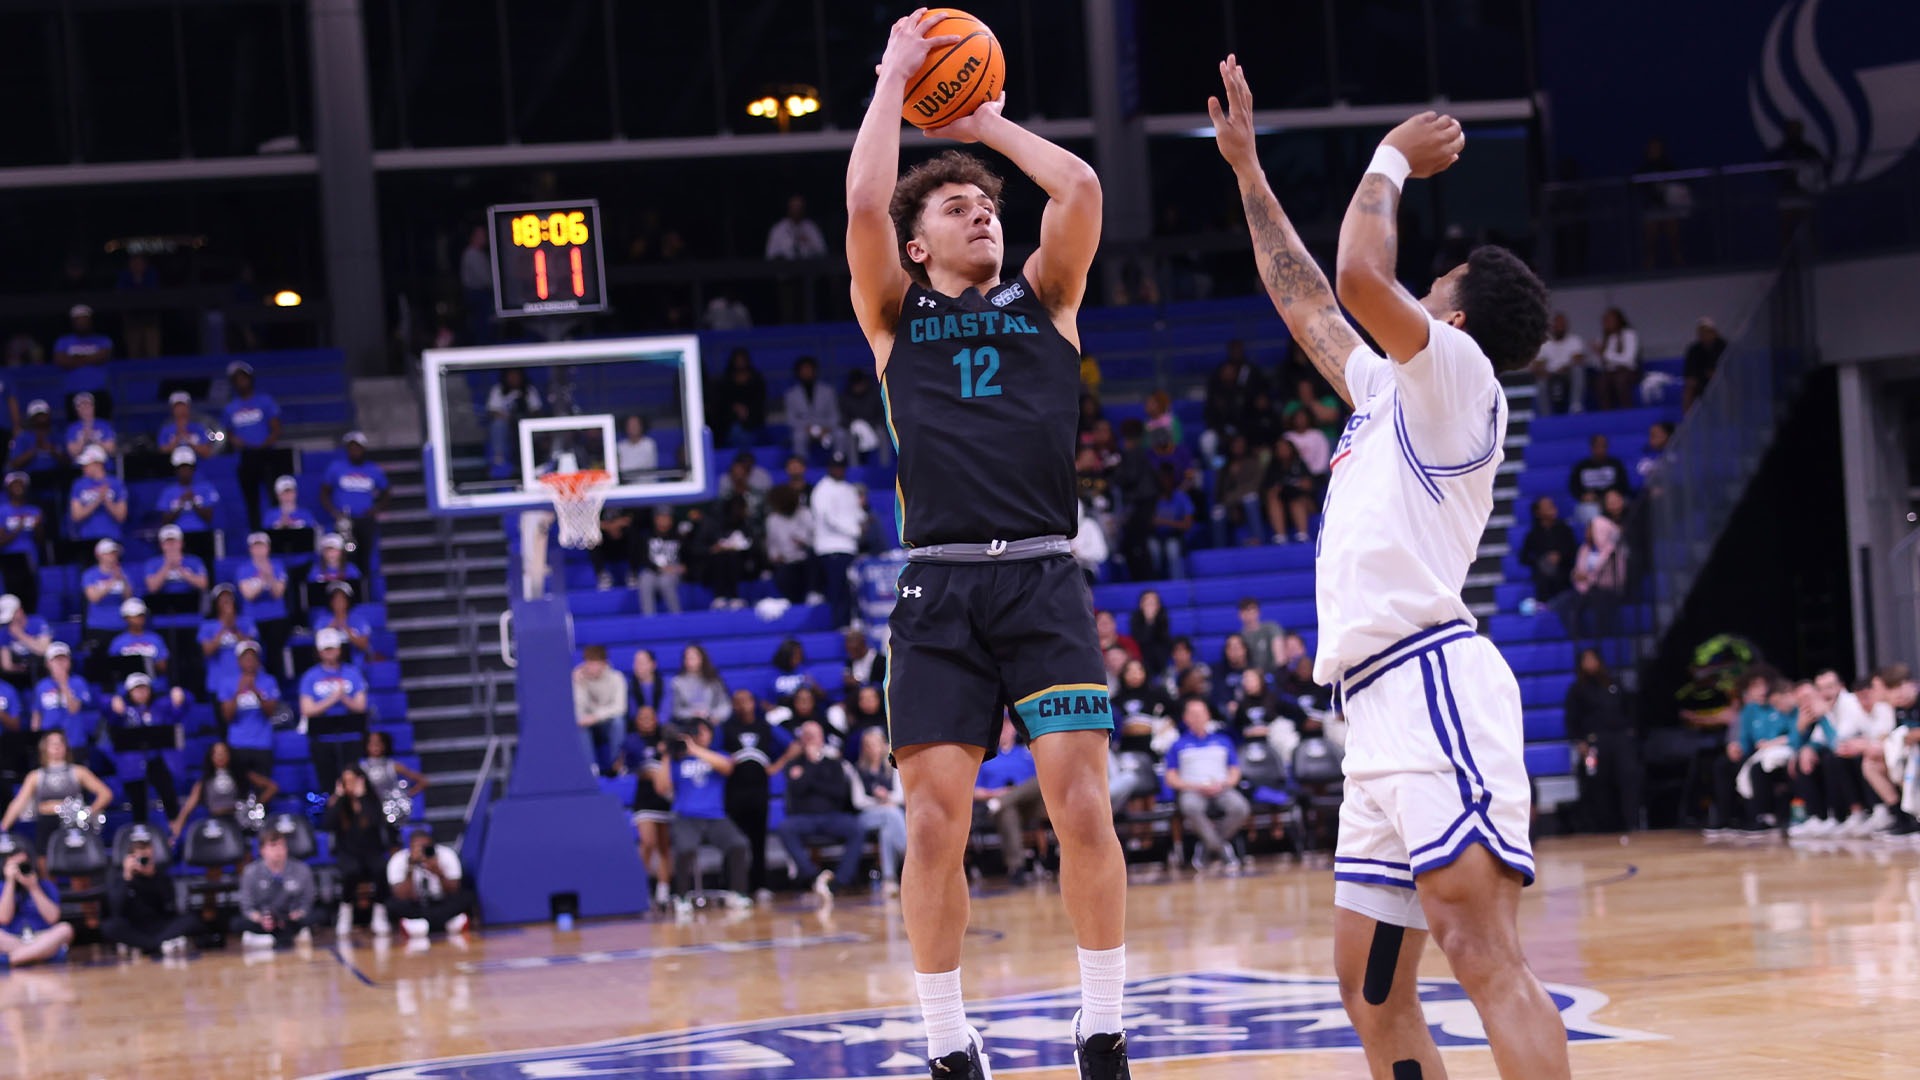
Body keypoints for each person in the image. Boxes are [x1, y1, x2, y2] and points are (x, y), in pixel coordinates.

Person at [1211, 58, 1567, 1077]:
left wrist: (1388, 159)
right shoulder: (1391, 395)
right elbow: (1312, 304)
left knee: (1482, 953)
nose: (1416, 291)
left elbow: (1363, 279)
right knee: (1374, 995)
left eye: (1436, 284)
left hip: (1431, 683)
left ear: (1449, 319)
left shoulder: (1458, 375)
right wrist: (1246, 169)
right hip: (1371, 710)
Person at [849, 16, 1132, 1074]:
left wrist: (987, 125)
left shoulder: (1049, 300)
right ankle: (945, 1042)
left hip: (1045, 579)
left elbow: (1084, 194)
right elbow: (867, 202)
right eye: (958, 209)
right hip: (941, 592)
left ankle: (1100, 1027)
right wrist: (894, 81)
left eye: (988, 210)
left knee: (1084, 802)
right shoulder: (894, 312)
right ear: (920, 245)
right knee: (932, 827)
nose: (983, 219)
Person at [651, 718, 754, 912]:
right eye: (696, 732)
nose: (700, 736)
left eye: (703, 732)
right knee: (684, 848)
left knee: (738, 844)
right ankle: (681, 897)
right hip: (686, 817)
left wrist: (694, 750)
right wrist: (666, 755)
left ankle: (737, 893)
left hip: (716, 817)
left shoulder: (718, 754)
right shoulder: (676, 760)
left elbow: (727, 767)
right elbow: (662, 788)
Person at [776, 719, 869, 898]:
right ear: (801, 739)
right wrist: (812, 765)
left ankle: (840, 881)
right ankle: (813, 876)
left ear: (821, 738)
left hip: (832, 816)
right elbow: (796, 791)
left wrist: (810, 779)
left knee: (856, 828)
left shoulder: (834, 763)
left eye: (814, 736)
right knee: (785, 828)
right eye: (807, 736)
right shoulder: (794, 764)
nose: (810, 740)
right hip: (804, 818)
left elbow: (839, 793)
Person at [720, 688, 799, 898]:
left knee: (758, 839)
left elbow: (794, 746)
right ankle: (733, 886)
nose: (742, 705)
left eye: (746, 700)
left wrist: (776, 766)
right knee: (734, 840)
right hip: (734, 791)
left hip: (759, 791)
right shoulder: (726, 728)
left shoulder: (765, 727)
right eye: (737, 701)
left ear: (754, 702)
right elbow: (715, 750)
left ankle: (760, 885)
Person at [1, 730, 113, 865]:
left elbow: (106, 794)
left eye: (60, 743)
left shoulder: (78, 771)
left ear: (66, 747)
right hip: (47, 825)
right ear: (44, 748)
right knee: (44, 864)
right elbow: (18, 803)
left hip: (73, 825)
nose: (57, 747)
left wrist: (87, 813)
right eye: (52, 744)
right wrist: (3, 828)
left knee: (80, 868)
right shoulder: (35, 776)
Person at [1563, 648, 1642, 834]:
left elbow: (1629, 709)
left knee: (1627, 778)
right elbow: (1572, 719)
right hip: (1595, 742)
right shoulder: (1577, 690)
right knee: (1598, 783)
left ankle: (1631, 823)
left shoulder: (1614, 684)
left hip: (1620, 740)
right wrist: (1580, 741)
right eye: (1586, 659)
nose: (1590, 663)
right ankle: (1603, 827)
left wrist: (1631, 732)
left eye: (1593, 659)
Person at [1166, 696, 1248, 870]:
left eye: (1200, 713)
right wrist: (1194, 786)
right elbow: (1171, 777)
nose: (1197, 718)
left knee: (1240, 807)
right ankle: (1221, 848)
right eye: (1193, 714)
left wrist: (1224, 784)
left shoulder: (1223, 741)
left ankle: (1207, 845)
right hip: (1192, 789)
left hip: (1221, 787)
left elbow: (1235, 771)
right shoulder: (1178, 745)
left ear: (1208, 716)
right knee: (1190, 806)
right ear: (1185, 718)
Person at [102, 824, 197, 957]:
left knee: (190, 920)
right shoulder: (120, 877)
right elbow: (116, 910)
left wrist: (152, 877)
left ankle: (144, 946)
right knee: (110, 926)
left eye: (146, 847)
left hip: (161, 926)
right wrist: (127, 878)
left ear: (152, 850)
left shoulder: (161, 874)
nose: (143, 852)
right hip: (134, 927)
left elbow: (170, 907)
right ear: (130, 853)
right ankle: (159, 945)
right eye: (138, 848)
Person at [325, 765, 392, 936]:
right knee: (351, 871)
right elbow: (328, 824)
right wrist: (339, 797)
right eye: (346, 782)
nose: (350, 785)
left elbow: (377, 822)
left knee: (381, 868)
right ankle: (345, 912)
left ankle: (379, 913)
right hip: (347, 852)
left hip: (371, 851)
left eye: (353, 780)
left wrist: (362, 798)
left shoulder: (371, 800)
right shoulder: (338, 803)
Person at [301, 628, 370, 792]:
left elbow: (361, 706)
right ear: (319, 651)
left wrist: (344, 698)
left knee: (354, 783)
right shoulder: (310, 676)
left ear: (339, 649)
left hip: (350, 737)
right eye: (326, 649)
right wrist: (332, 699)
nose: (329, 652)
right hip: (322, 740)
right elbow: (307, 710)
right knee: (328, 786)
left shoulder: (352, 672)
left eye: (332, 648)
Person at [171, 740, 278, 841]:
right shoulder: (203, 782)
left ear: (230, 755)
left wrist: (257, 805)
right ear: (211, 757)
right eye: (216, 753)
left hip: (238, 822)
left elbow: (272, 787)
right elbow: (188, 807)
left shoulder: (240, 775)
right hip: (216, 822)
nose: (220, 756)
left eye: (223, 753)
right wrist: (178, 825)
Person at [222, 362, 282, 533]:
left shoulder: (265, 401)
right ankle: (257, 536)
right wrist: (234, 440)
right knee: (251, 500)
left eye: (243, 377)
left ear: (250, 379)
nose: (241, 381)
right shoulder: (230, 408)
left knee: (274, 497)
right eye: (237, 379)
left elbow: (277, 428)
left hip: (267, 455)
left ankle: (277, 530)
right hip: (246, 457)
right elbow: (226, 433)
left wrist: (266, 442)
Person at [232, 829, 317, 950]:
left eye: (281, 846)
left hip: (291, 917)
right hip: (263, 918)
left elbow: (307, 902)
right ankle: (265, 935)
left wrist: (298, 914)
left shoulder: (302, 870)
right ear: (262, 850)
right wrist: (260, 918)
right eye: (273, 846)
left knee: (315, 917)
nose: (278, 851)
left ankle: (284, 934)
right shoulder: (250, 872)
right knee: (236, 923)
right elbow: (247, 906)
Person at [322, 432, 389, 579]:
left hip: (365, 520)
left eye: (357, 447)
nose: (354, 451)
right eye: (351, 448)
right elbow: (324, 493)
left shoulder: (373, 470)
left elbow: (387, 491)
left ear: (363, 449)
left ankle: (363, 592)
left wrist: (376, 509)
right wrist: (335, 513)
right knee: (347, 554)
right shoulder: (337, 468)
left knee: (365, 557)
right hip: (345, 521)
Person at [809, 452, 864, 630]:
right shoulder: (822, 489)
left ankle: (851, 623)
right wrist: (854, 530)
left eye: (842, 467)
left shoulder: (849, 489)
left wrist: (863, 522)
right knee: (838, 588)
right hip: (831, 547)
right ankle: (840, 626)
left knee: (851, 588)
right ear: (829, 468)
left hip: (849, 547)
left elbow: (856, 513)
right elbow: (827, 518)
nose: (839, 470)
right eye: (835, 466)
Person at [386, 827, 473, 938]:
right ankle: (447, 923)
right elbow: (401, 895)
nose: (422, 852)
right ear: (410, 848)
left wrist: (437, 872)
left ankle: (420, 926)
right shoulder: (399, 859)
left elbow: (454, 889)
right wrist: (410, 869)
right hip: (416, 905)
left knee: (466, 897)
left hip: (441, 901)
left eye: (426, 848)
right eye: (417, 848)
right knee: (392, 904)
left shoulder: (446, 854)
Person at [853, 726, 908, 896]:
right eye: (868, 745)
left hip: (889, 815)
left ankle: (889, 879)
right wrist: (879, 801)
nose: (872, 749)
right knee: (891, 814)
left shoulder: (892, 768)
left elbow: (900, 797)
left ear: (884, 745)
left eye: (875, 744)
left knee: (887, 831)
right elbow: (859, 801)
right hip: (867, 817)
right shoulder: (858, 770)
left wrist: (887, 797)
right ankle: (909, 853)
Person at [0, 847, 73, 966]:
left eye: (23, 865)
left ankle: (12, 959)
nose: (19, 869)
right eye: (15, 866)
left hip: (41, 937)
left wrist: (33, 887)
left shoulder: (46, 886)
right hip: (13, 939)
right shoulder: (2, 887)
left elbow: (53, 918)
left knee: (65, 929)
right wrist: (10, 883)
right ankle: (38, 954)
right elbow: (4, 918)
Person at [31, 644, 100, 754]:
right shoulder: (41, 686)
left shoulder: (78, 682)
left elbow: (73, 709)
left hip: (74, 742)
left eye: (64, 659)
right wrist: (35, 740)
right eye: (56, 660)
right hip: (49, 744)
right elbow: (37, 714)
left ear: (70, 662)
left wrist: (63, 683)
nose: (60, 663)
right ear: (48, 663)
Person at [572, 644, 628, 775]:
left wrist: (596, 717)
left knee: (618, 722)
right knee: (579, 725)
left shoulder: (617, 678)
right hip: (588, 725)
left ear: (604, 663)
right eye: (588, 663)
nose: (590, 667)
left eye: (594, 663)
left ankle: (617, 765)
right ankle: (591, 769)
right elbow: (579, 709)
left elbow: (620, 707)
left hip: (606, 724)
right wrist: (579, 684)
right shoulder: (579, 678)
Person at [54, 304, 114, 417]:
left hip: (99, 391)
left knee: (103, 426)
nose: (82, 323)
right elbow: (61, 360)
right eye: (78, 320)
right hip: (73, 392)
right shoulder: (63, 341)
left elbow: (103, 356)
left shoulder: (102, 340)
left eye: (84, 319)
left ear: (90, 321)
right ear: (73, 322)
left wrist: (75, 359)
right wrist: (91, 358)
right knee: (74, 430)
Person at [1517, 496, 1578, 604]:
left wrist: (1560, 556)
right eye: (1547, 507)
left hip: (1564, 570)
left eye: (1552, 506)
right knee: (1543, 577)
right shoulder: (1533, 535)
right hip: (1542, 574)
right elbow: (1524, 557)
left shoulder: (1565, 530)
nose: (1552, 509)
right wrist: (1542, 560)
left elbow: (1574, 551)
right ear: (1538, 512)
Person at [785, 356, 846, 461]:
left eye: (809, 369)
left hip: (826, 428)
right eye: (803, 370)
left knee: (840, 434)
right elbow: (791, 420)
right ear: (798, 372)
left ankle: (838, 463)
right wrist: (809, 429)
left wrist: (826, 429)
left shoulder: (828, 391)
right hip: (804, 430)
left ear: (815, 371)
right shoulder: (791, 394)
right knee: (798, 437)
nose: (806, 372)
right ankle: (801, 465)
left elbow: (835, 415)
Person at [765, 484, 818, 606]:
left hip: (805, 558)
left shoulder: (805, 514)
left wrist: (804, 542)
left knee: (814, 559)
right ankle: (793, 601)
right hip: (787, 561)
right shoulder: (772, 520)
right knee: (783, 575)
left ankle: (813, 593)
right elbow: (771, 544)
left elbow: (817, 539)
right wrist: (775, 555)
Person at [485, 370, 545, 474]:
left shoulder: (529, 390)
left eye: (516, 376)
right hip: (506, 423)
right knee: (498, 425)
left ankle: (539, 461)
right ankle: (499, 458)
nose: (514, 379)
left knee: (537, 426)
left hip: (525, 424)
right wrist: (509, 417)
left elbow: (537, 410)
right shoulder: (498, 389)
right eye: (511, 376)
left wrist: (526, 417)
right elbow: (492, 411)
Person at [1531, 312, 1588, 416]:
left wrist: (1566, 367)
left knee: (1578, 370)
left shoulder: (1574, 340)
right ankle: (1546, 415)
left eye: (1562, 324)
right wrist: (1543, 370)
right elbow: (1536, 365)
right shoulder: (1545, 343)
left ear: (1566, 326)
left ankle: (1575, 406)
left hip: (1567, 373)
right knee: (1541, 381)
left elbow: (1579, 358)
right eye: (1557, 325)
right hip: (1550, 375)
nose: (1559, 327)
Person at [68, 445, 129, 542]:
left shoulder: (116, 484)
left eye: (86, 465)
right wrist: (97, 500)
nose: (83, 468)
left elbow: (121, 516)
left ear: (98, 464)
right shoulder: (79, 485)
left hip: (112, 536)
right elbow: (76, 515)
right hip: (87, 538)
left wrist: (106, 501)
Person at [1568, 434, 1628, 528]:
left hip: (1613, 500)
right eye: (1597, 446)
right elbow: (1573, 487)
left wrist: (1614, 494)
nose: (1600, 449)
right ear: (1592, 448)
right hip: (1591, 503)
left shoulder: (1616, 464)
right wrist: (1583, 496)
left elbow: (1624, 485)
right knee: (1588, 511)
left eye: (1603, 446)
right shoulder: (1581, 466)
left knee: (1624, 505)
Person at [1594, 307, 1640, 410]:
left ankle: (1627, 411)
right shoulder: (1602, 338)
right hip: (1609, 372)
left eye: (1610, 320)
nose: (1607, 323)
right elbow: (1598, 364)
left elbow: (1628, 359)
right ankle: (1607, 414)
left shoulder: (1629, 334)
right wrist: (1598, 355)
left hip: (1628, 371)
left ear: (1619, 320)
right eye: (1605, 320)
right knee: (1601, 382)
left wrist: (1604, 353)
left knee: (1620, 380)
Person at [766, 193, 828, 260]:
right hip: (784, 267)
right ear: (789, 208)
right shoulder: (779, 229)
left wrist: (809, 242)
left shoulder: (811, 227)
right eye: (794, 207)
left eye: (799, 207)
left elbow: (823, 251)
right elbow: (770, 254)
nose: (797, 210)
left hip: (808, 266)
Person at [156, 391, 214, 460]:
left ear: (188, 407)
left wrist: (189, 441)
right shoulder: (166, 430)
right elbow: (162, 452)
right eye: (177, 406)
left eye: (183, 406)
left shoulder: (198, 428)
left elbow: (207, 452)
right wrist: (178, 438)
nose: (180, 409)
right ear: (172, 409)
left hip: (198, 466)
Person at [1682, 316, 1724, 411]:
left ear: (1714, 332)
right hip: (1701, 382)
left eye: (1707, 332)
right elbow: (1690, 372)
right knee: (1689, 388)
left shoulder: (1724, 347)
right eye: (1701, 332)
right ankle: (1689, 420)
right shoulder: (1694, 350)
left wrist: (1716, 375)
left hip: (1722, 381)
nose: (1704, 335)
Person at [1128, 590, 1172, 676]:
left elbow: (1164, 639)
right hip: (1142, 655)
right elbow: (1141, 640)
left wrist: (1152, 621)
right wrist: (1149, 621)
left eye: (1153, 603)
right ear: (1141, 604)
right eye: (1147, 603)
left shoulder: (1163, 617)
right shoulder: (1135, 618)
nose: (1150, 606)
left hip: (1160, 658)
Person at [63, 391, 116, 460]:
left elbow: (111, 449)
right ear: (76, 410)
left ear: (93, 406)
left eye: (88, 405)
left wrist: (95, 439)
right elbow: (72, 453)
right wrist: (83, 440)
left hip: (104, 466)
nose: (85, 409)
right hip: (81, 467)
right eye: (81, 406)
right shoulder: (72, 429)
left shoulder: (105, 425)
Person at [1634, 422, 1673, 489]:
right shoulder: (1644, 456)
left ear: (1666, 435)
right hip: (1650, 493)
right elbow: (1637, 481)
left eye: (1654, 435)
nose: (1650, 438)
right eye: (1650, 435)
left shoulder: (1678, 454)